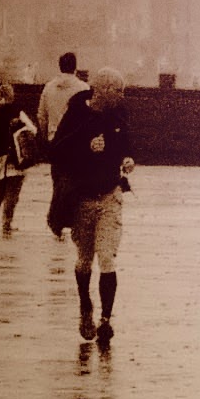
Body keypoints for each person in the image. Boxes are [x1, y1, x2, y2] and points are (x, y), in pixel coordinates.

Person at [48, 67, 135, 344]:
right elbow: (56, 151)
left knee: (107, 257)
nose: (122, 97)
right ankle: (85, 306)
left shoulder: (117, 114)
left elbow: (125, 143)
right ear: (102, 91)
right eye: (118, 91)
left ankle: (106, 320)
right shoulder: (76, 113)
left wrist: (127, 158)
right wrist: (87, 147)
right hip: (83, 199)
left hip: (110, 197)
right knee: (85, 260)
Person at [39, 52, 88, 239]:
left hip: (55, 142)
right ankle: (71, 220)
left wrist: (45, 138)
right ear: (75, 67)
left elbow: (41, 116)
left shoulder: (49, 88)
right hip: (76, 144)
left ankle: (55, 221)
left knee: (57, 182)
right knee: (75, 183)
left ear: (60, 66)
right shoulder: (82, 88)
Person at [0, 82, 35, 235]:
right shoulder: (17, 112)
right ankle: (7, 222)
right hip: (15, 157)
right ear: (11, 96)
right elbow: (33, 129)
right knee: (13, 190)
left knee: (0, 189)